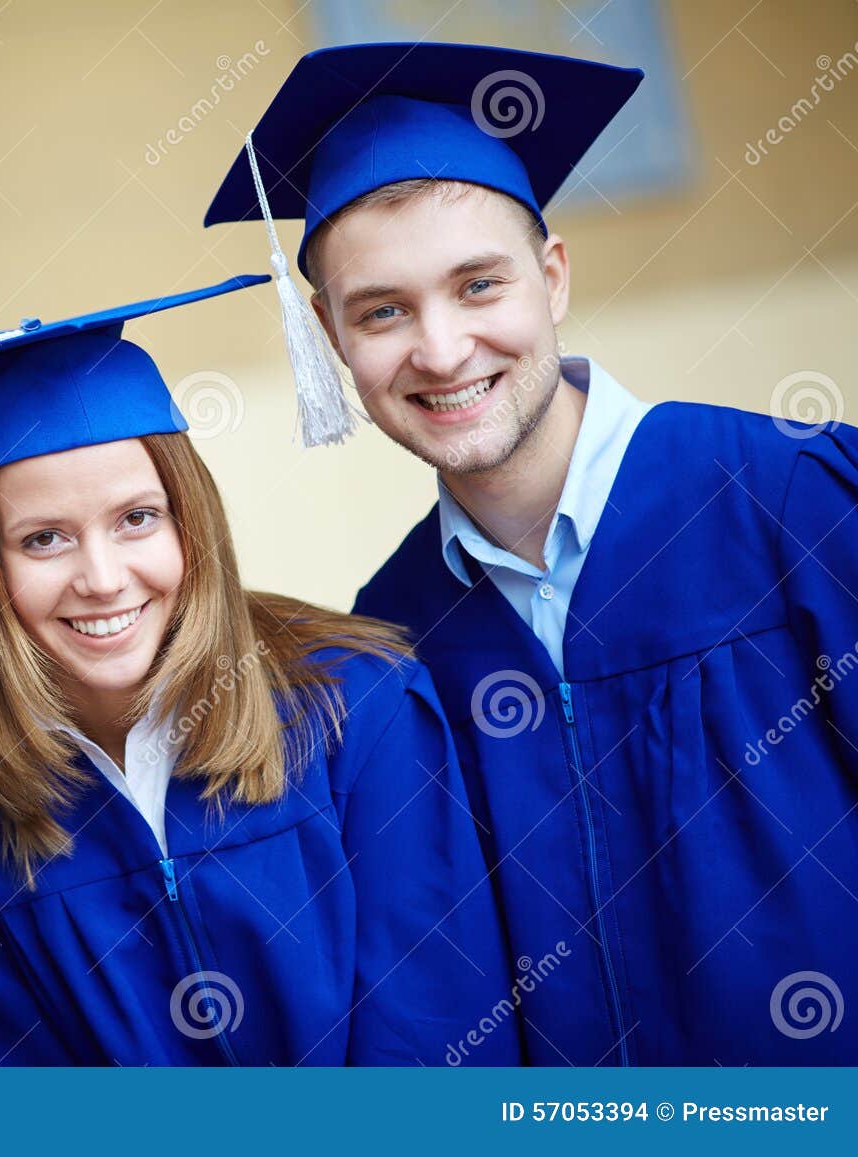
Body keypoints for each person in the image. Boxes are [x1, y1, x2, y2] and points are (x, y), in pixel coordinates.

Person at [207, 41, 858, 1064]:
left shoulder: (790, 500)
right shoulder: (395, 636)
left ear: (551, 278)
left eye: (477, 285)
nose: (440, 348)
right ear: (332, 338)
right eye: (382, 310)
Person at [0, 276, 518, 1065]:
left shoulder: (358, 708)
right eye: (43, 538)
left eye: (136, 518)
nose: (103, 577)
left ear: (190, 520)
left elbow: (436, 1027)